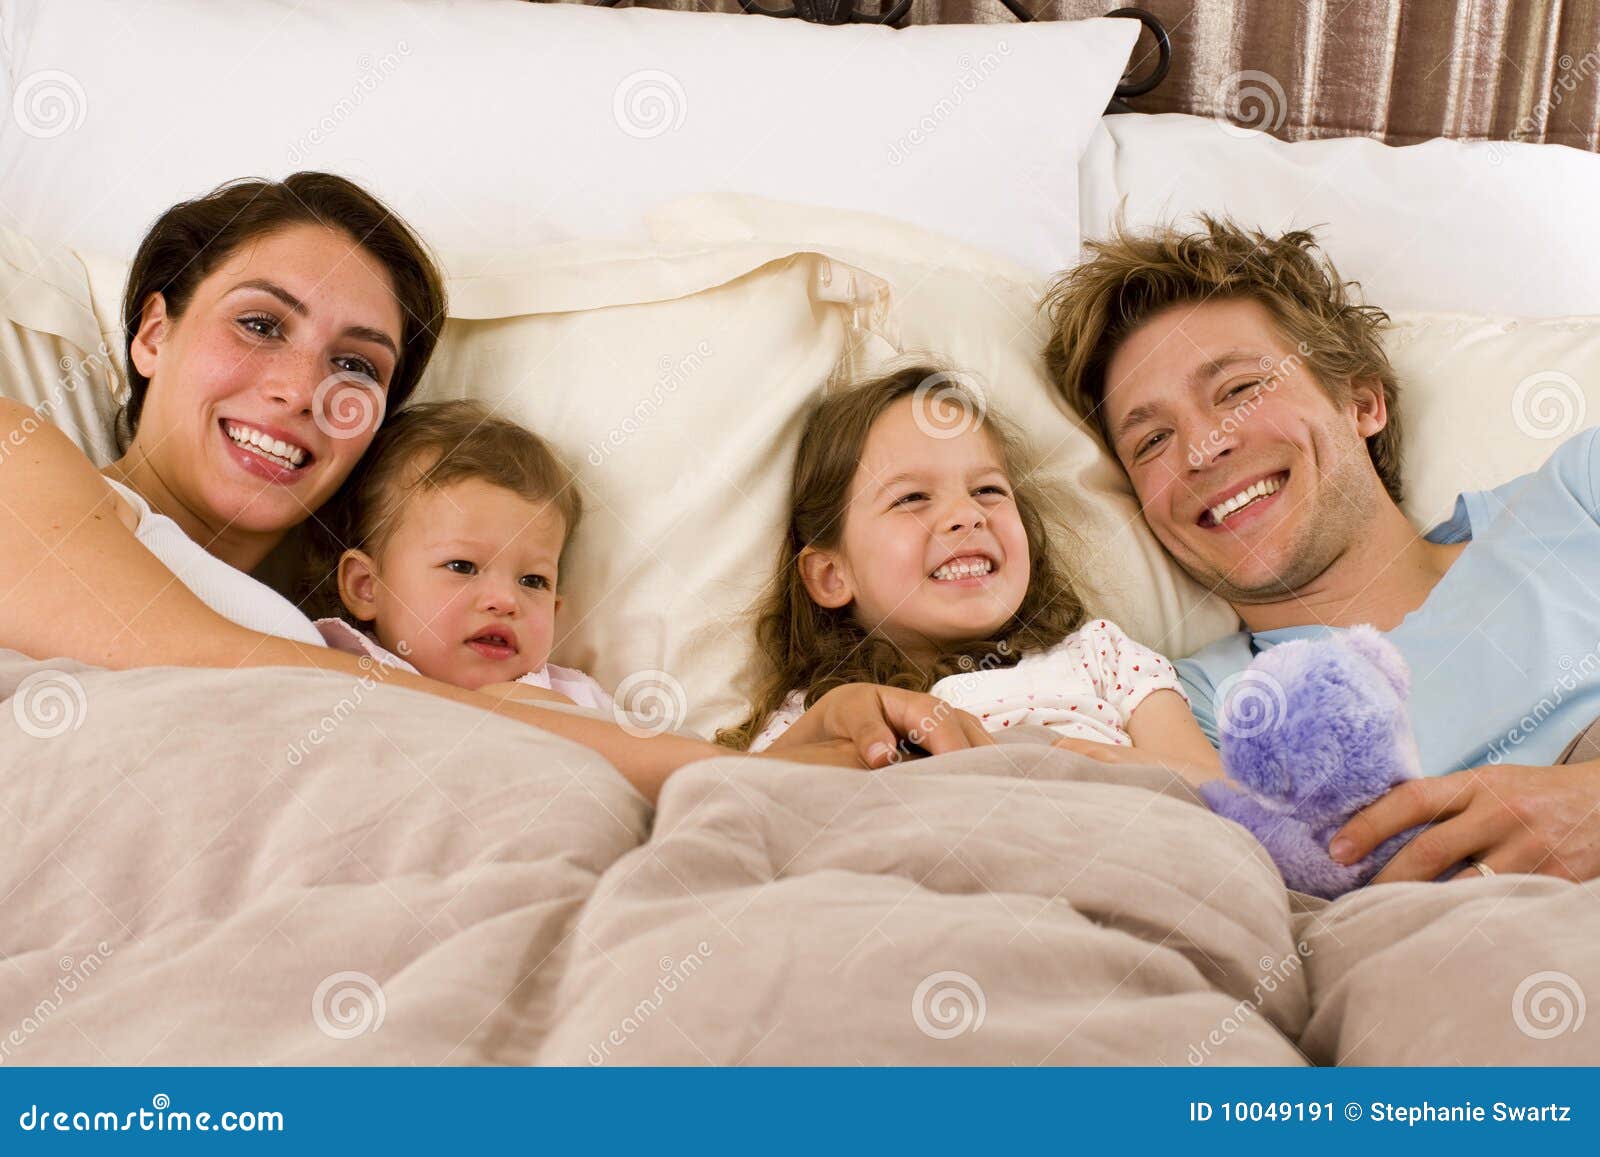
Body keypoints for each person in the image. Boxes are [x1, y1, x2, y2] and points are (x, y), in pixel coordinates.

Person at [0, 173, 985, 805]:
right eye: (261, 324)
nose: (302, 389)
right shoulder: (17, 443)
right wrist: (743, 778)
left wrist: (803, 734)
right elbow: (200, 660)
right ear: (152, 333)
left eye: (358, 366)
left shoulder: (364, 637)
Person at [1041, 215, 1600, 883]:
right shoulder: (1180, 710)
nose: (1201, 447)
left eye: (1240, 390)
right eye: (1151, 441)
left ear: (1361, 401)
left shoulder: (1578, 496)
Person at [720, 363, 1223, 789]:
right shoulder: (817, 717)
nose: (968, 516)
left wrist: (1101, 770)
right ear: (831, 575)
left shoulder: (1103, 657)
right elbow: (757, 813)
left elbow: (1218, 796)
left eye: (988, 491)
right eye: (911, 498)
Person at [307, 398, 610, 709]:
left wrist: (566, 721)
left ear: (556, 611)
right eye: (462, 566)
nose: (506, 601)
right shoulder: (330, 667)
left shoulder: (573, 700)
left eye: (533, 581)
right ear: (367, 586)